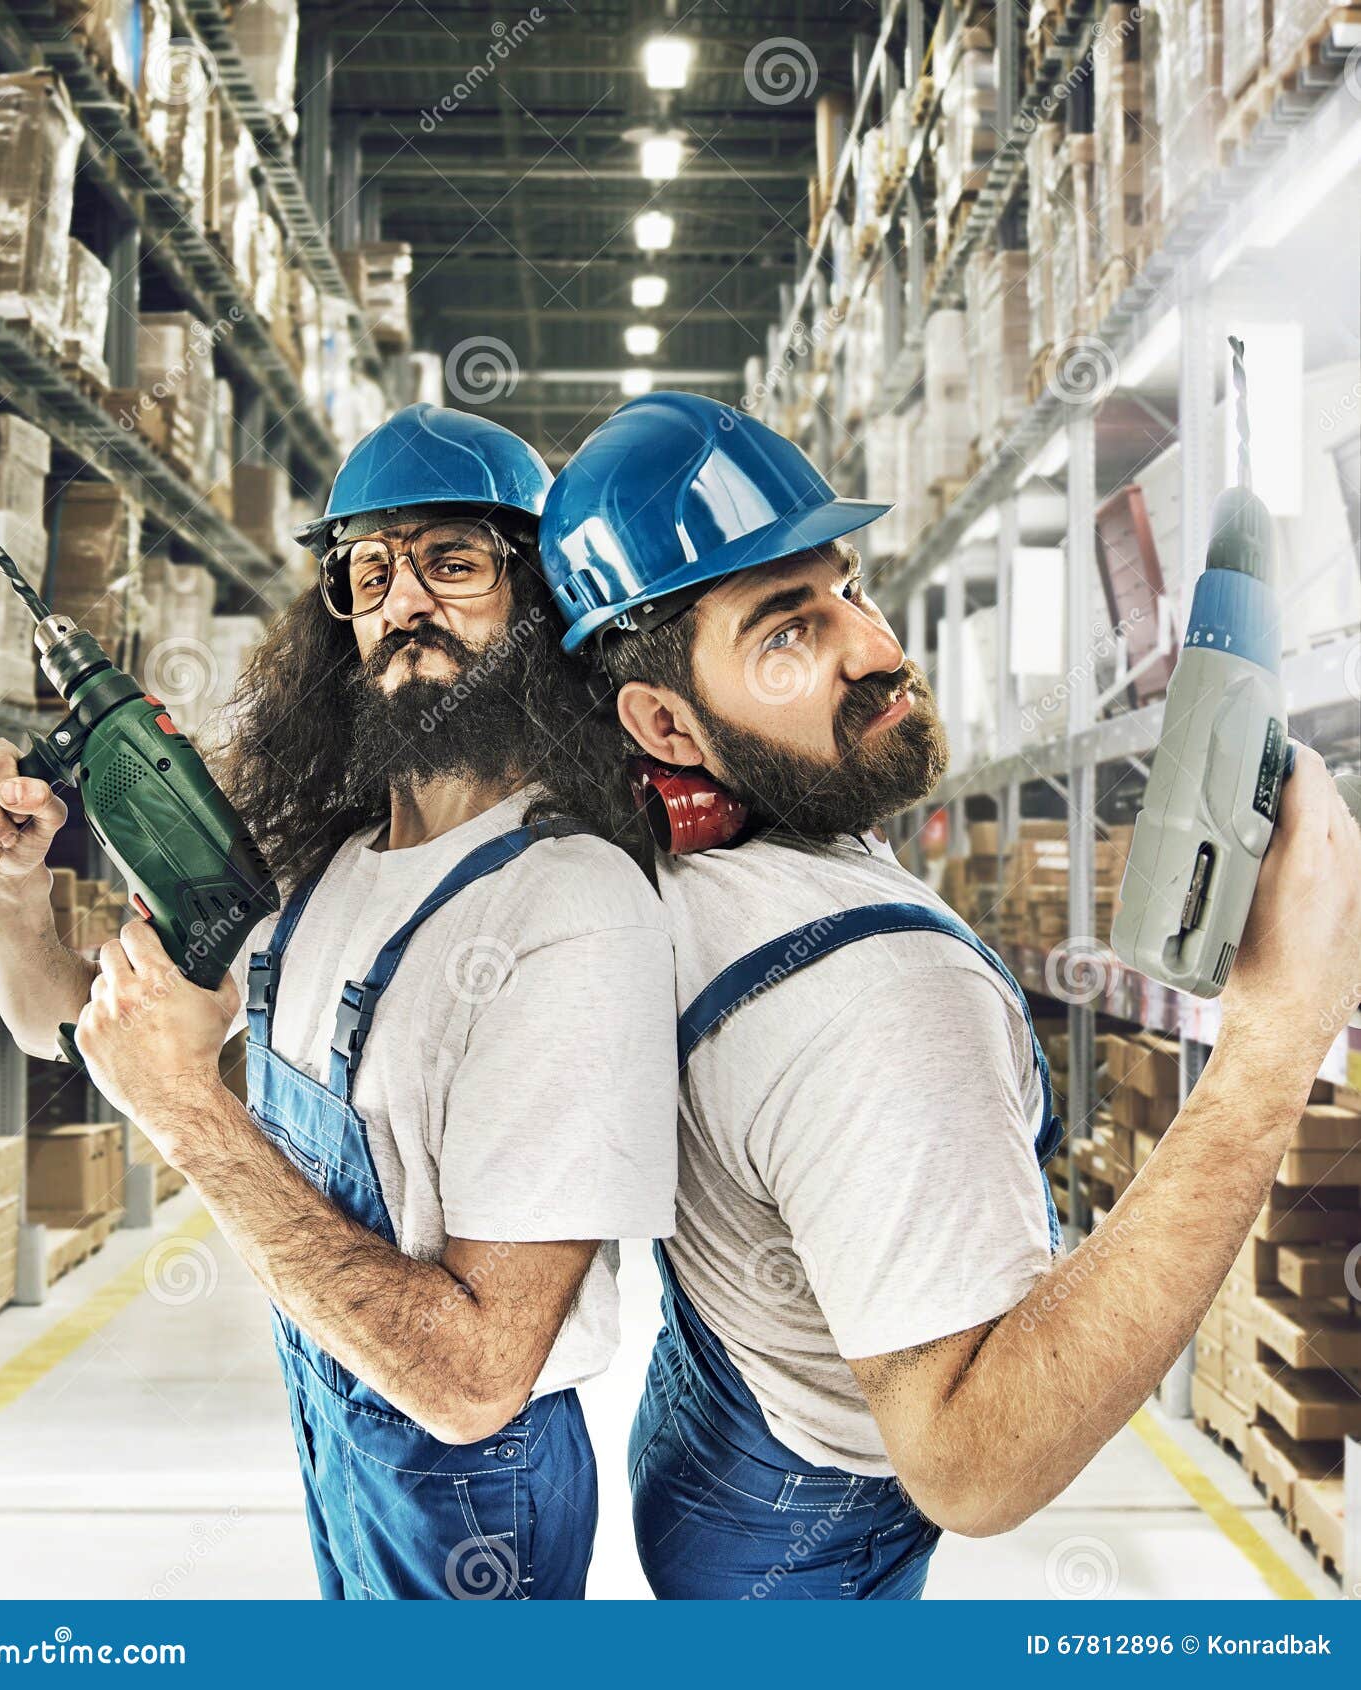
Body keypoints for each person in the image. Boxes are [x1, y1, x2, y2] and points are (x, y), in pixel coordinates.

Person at [535, 390, 1361, 1600]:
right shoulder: (878, 992)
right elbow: (973, 1465)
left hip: (713, 1450)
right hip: (808, 1547)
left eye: (847, 592)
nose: (873, 649)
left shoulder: (663, 865)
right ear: (661, 720)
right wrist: (1274, 1039)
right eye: (785, 634)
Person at [0, 403, 677, 1601]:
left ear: (536, 597)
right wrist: (10, 894)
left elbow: (477, 1377)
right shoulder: (317, 866)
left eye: (453, 561)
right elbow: (64, 1026)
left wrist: (189, 1114)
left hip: (473, 1487)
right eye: (369, 571)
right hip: (341, 1420)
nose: (403, 603)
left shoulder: (569, 903)